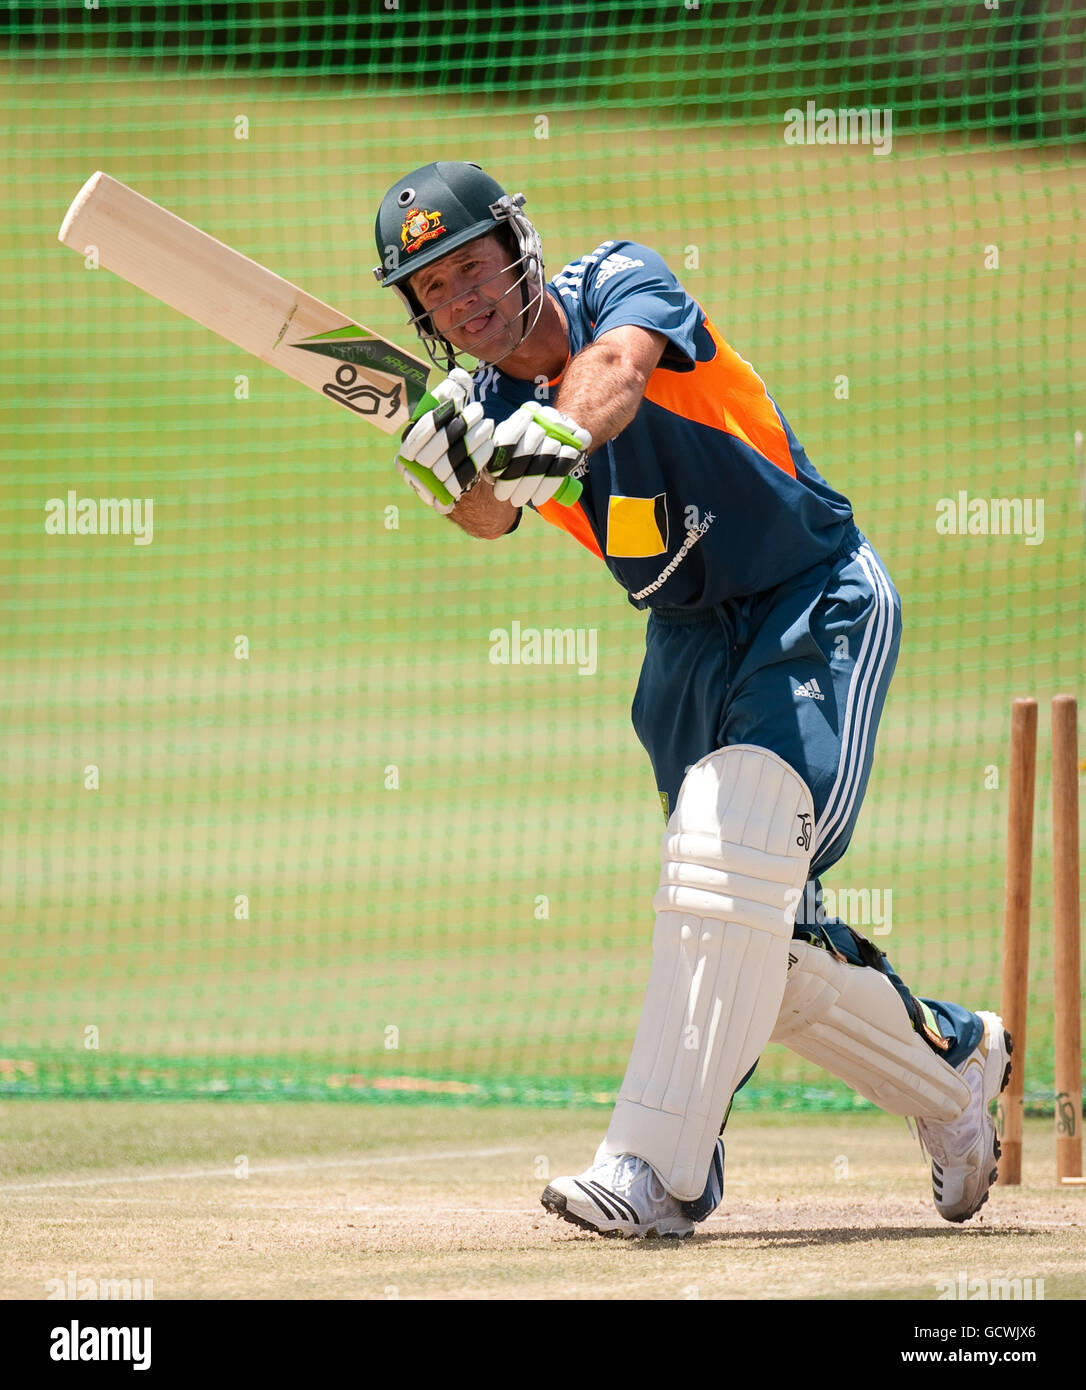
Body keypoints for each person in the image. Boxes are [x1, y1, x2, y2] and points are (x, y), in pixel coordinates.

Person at [373, 161, 1012, 1238]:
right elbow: (492, 519)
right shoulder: (484, 400)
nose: (460, 300)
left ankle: (657, 1169)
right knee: (759, 926)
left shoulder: (623, 279)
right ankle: (955, 1068)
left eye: (470, 266)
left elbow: (616, 373)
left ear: (517, 247)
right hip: (684, 647)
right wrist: (448, 480)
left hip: (810, 595)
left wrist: (557, 433)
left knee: (742, 838)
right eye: (431, 290)